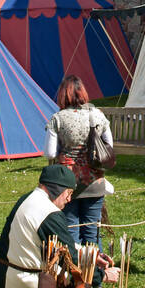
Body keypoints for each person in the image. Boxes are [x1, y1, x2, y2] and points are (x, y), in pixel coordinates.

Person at [0, 165, 118, 288]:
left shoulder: (27, 199)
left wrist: (88, 255)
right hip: (22, 283)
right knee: (78, 279)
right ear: (58, 190)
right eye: (68, 193)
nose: (69, 199)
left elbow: (63, 244)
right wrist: (102, 276)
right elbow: (70, 260)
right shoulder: (49, 213)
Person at [44, 75, 114, 249]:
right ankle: (95, 272)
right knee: (92, 230)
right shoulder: (97, 114)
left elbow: (50, 152)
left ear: (63, 95)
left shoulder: (58, 118)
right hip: (95, 180)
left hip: (67, 183)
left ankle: (75, 272)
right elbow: (109, 147)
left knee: (71, 230)